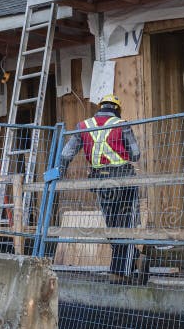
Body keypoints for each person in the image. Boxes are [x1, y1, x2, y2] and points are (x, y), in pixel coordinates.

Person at [58, 94, 142, 284]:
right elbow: (135, 155)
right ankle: (124, 269)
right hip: (124, 179)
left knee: (112, 225)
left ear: (100, 108)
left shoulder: (83, 126)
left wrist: (60, 173)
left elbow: (66, 154)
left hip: (101, 181)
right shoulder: (122, 124)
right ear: (117, 109)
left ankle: (126, 265)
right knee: (126, 224)